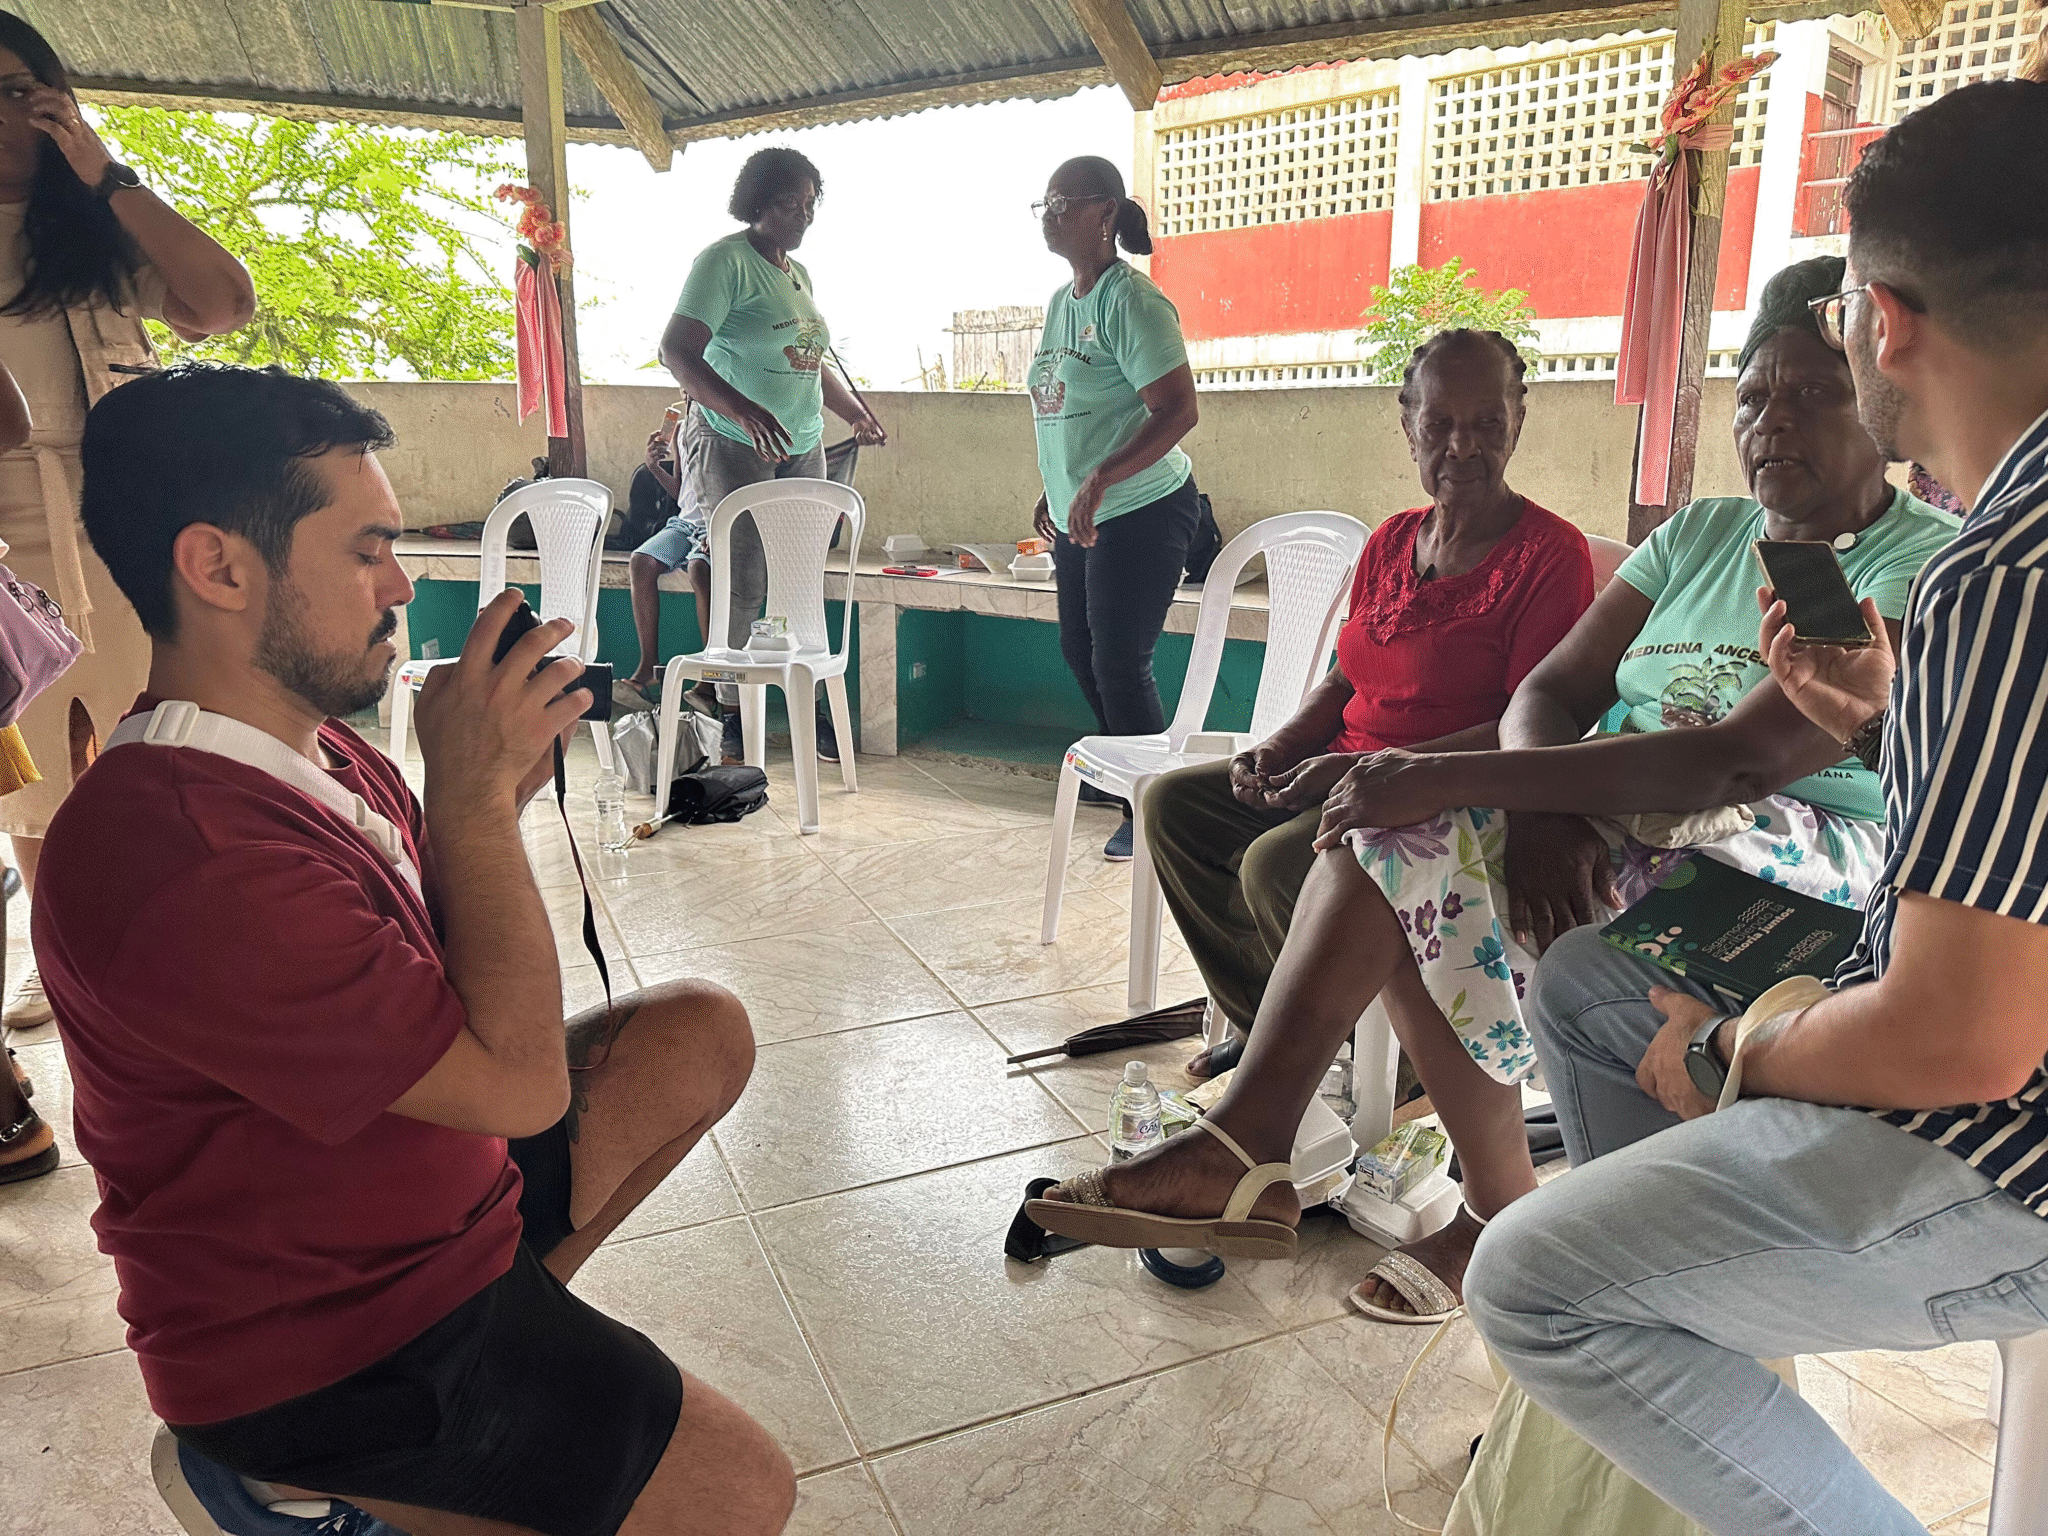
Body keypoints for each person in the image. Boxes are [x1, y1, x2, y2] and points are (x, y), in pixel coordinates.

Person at [1035, 262, 1961, 1331]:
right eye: (1752, 394)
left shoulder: (1910, 567)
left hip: (1792, 855)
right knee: (1409, 840)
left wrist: (1456, 777)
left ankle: (1352, 1167)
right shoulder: (1699, 535)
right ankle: (1323, 1152)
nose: (1768, 421)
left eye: (1811, 392)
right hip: (1620, 805)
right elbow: (1551, 690)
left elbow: (1734, 764)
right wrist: (1534, 806)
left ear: (1875, 395)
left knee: (1411, 824)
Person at [49, 363, 793, 1536]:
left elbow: (465, 994)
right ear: (219, 568)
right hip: (322, 1347)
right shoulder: (179, 853)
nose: (400, 583)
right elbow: (517, 1080)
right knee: (741, 1497)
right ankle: (298, 1479)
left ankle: (489, 1410)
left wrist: (481, 798)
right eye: (365, 550)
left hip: (439, 1223)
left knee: (697, 1034)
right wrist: (478, 807)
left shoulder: (324, 761)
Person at [1462, 80, 2048, 1536]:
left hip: (2009, 1164)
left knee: (1536, 1282)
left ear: (1882, 320)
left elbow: (1964, 1039)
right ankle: (1695, 1291)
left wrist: (1743, 1051)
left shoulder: (1991, 569)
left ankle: (1678, 1335)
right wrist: (1890, 717)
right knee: (1592, 982)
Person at [1146, 328, 1593, 1075]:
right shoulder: (1391, 541)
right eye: (1440, 424)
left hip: (1450, 795)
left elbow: (1534, 723)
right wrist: (1283, 747)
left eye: (1488, 422)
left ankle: (1396, 1067)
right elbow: (1347, 675)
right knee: (1175, 810)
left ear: (1519, 419)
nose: (1463, 446)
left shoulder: (1550, 556)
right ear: (1407, 423)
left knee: (1273, 865)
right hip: (1343, 771)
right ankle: (1273, 1032)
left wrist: (1375, 769)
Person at [0, 11, 252, 1033]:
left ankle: (181, 937)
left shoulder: (101, 225)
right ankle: (54, 952)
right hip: (7, 522)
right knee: (33, 764)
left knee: (159, 731)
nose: (5, 114)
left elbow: (222, 301)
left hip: (121, 509)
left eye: (21, 89)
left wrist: (100, 167)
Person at [651, 147, 884, 767]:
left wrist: (852, 413)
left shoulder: (796, 274)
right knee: (743, 581)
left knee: (799, 582)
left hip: (800, 443)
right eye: (790, 205)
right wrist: (742, 411)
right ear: (757, 203)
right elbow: (677, 351)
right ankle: (730, 713)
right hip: (735, 445)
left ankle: (804, 708)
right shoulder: (723, 263)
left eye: (811, 205)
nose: (802, 217)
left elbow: (811, 359)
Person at [1028, 156, 1202, 861]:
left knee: (1121, 659)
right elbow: (1068, 407)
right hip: (1087, 511)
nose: (1048, 213)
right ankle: (1129, 774)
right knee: (1080, 648)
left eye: (1062, 201)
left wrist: (1099, 477)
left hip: (1144, 509)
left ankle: (1153, 803)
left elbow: (1178, 410)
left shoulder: (1132, 302)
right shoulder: (1063, 302)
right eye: (1043, 201)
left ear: (1104, 214)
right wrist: (1060, 481)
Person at [615, 402, 716, 719]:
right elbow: (681, 490)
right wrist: (654, 466)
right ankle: (648, 669)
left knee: (701, 571)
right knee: (641, 561)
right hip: (684, 524)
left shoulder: (729, 426)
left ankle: (711, 678)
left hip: (719, 524)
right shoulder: (684, 428)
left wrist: (718, 528)